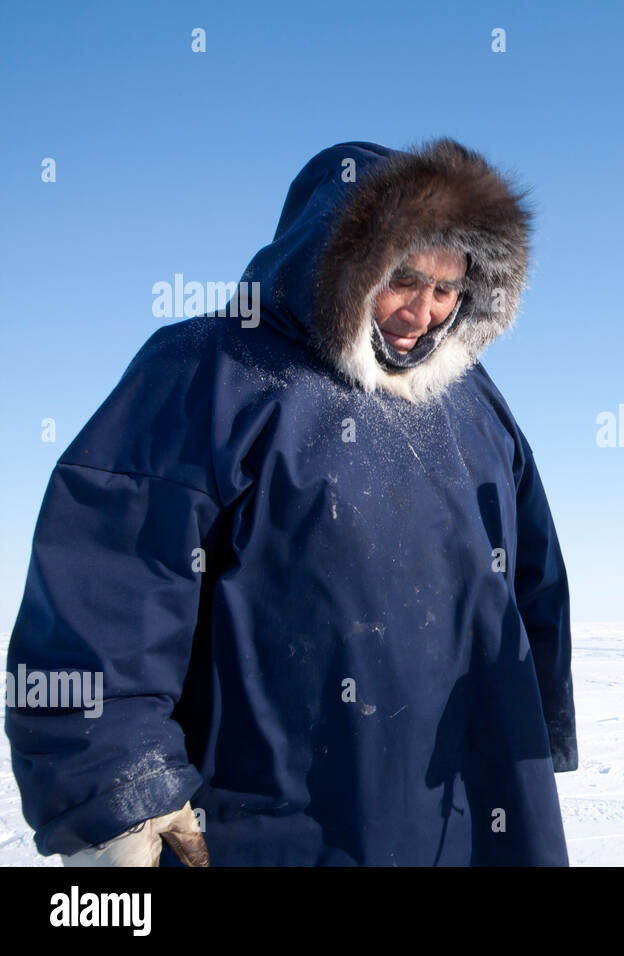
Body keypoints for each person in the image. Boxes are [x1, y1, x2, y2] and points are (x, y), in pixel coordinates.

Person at [5, 139, 577, 866]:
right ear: (337, 261)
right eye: (403, 278)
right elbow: (105, 593)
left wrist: (534, 744)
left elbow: (533, 588)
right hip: (282, 825)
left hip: (477, 811)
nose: (424, 313)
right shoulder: (213, 370)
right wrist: (112, 791)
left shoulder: (474, 406)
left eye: (448, 291)